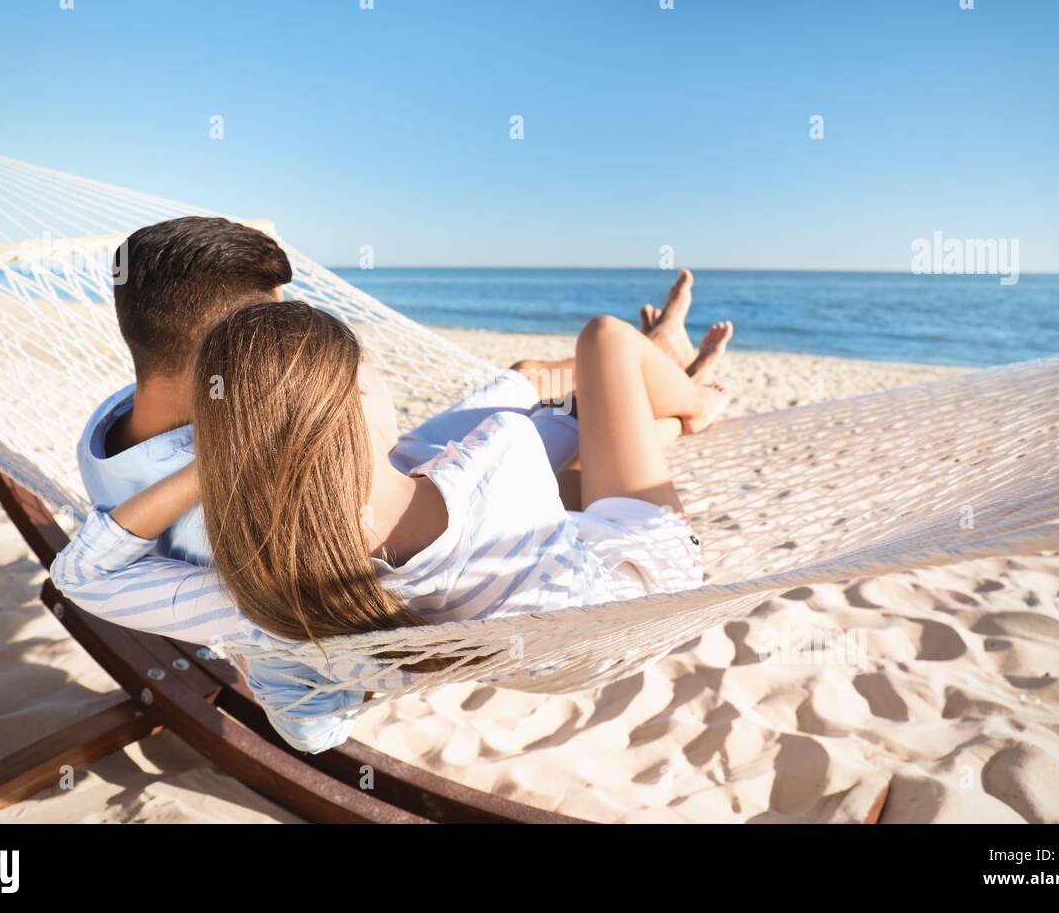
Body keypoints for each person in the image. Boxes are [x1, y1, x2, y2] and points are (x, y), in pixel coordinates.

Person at [73, 215, 732, 750]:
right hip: (530, 537)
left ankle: (664, 383)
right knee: (598, 370)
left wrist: (227, 452)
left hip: (438, 511)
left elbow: (86, 578)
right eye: (272, 325)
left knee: (547, 382)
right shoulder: (236, 537)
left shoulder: (108, 439)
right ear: (233, 355)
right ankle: (687, 392)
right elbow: (310, 712)